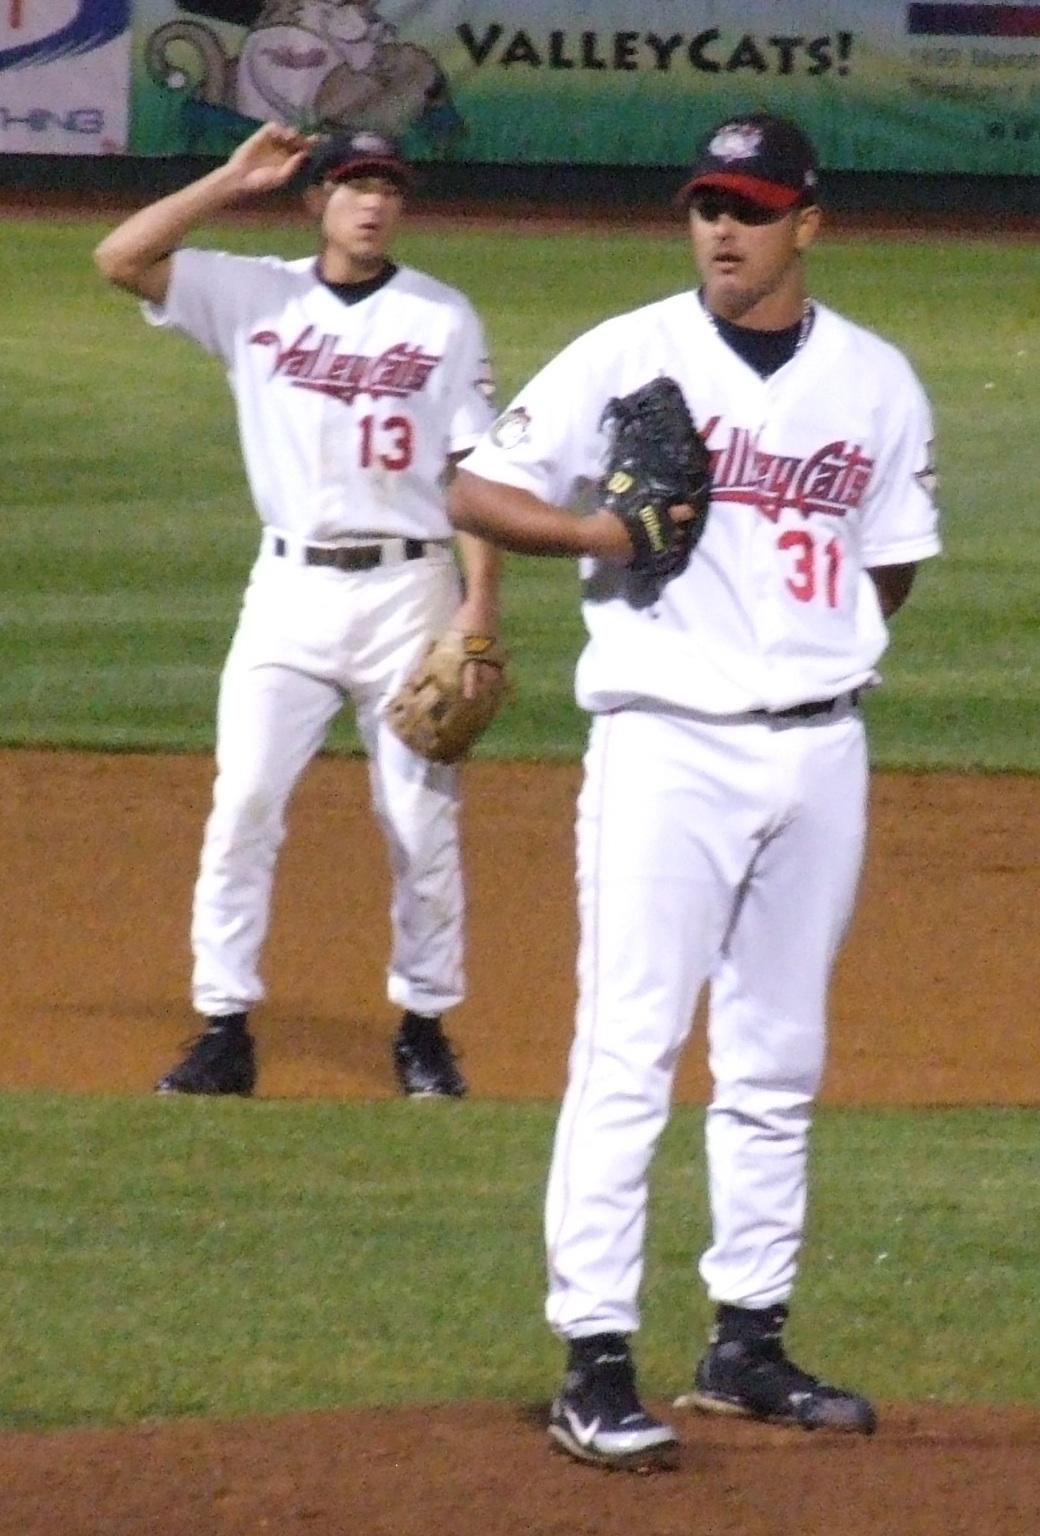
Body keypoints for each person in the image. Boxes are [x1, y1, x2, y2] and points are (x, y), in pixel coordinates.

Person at [448, 112, 941, 1470]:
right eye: (706, 204)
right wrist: (602, 535)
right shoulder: (630, 350)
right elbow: (479, 488)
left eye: (752, 205)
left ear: (808, 223)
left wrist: (811, 644)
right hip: (668, 741)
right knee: (631, 1045)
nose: (722, 227)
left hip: (822, 745)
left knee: (778, 1057)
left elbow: (887, 560)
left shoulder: (878, 382)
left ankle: (747, 1342)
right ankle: (592, 1356)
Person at [94, 122, 501, 1100]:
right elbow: (120, 257)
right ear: (314, 198)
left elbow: (470, 470)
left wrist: (478, 607)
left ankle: (423, 1026)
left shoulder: (442, 319)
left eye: (386, 184)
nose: (372, 200)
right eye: (352, 182)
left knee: (417, 821)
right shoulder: (251, 294)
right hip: (286, 590)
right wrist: (230, 180)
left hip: (410, 591)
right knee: (243, 802)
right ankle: (223, 1025)